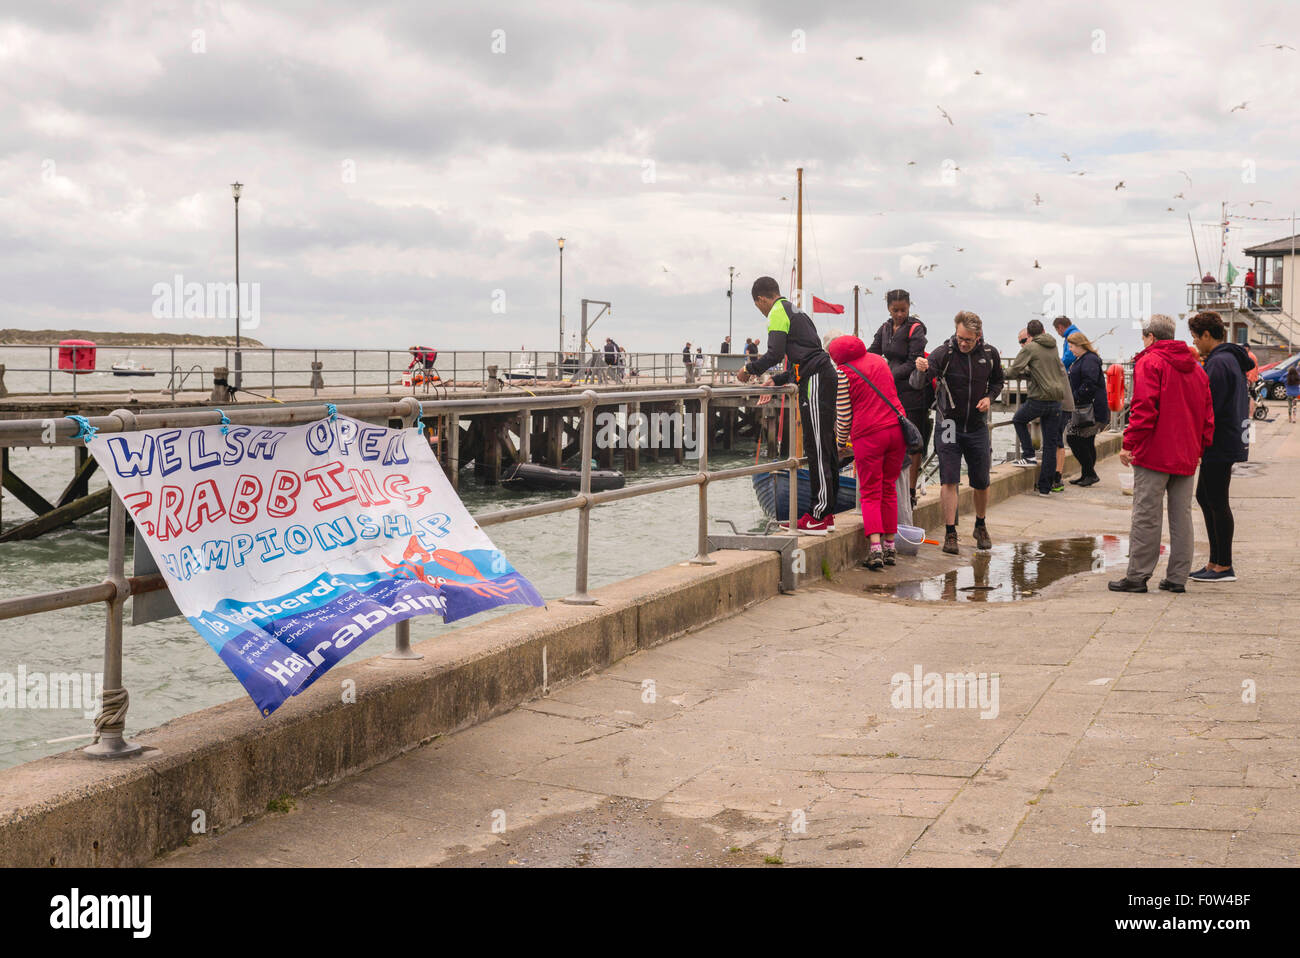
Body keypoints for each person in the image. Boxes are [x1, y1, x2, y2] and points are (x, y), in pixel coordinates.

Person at [1109, 315, 1214, 594]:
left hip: (1155, 453)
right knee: (1182, 517)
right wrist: (1200, 447)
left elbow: (1144, 408)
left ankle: (1138, 576)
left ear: (1151, 337)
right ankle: (1177, 577)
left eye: (1143, 337)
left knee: (1146, 515)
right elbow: (1207, 415)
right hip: (1186, 454)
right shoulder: (1197, 369)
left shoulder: (1150, 362)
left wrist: (1128, 443)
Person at [738, 276, 840, 535]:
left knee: (818, 446)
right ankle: (825, 514)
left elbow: (774, 353)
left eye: (758, 306)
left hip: (816, 379)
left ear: (761, 299)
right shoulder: (796, 311)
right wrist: (777, 378)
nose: (762, 312)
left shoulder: (776, 312)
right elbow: (801, 358)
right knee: (823, 445)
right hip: (817, 375)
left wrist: (748, 370)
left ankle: (819, 514)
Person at [911, 311, 1003, 554]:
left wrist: (988, 398)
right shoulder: (944, 354)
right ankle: (950, 533)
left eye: (968, 340)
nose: (963, 343)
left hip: (976, 425)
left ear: (978, 336)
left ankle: (980, 525)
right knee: (949, 478)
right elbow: (917, 385)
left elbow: (997, 383)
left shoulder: (989, 355)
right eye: (960, 337)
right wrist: (920, 369)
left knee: (981, 480)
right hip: (949, 424)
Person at [1188, 311, 1253, 584]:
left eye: (1195, 337)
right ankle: (1215, 561)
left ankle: (1223, 564)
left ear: (1207, 335)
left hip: (1220, 439)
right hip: (1228, 437)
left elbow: (1208, 403)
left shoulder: (1218, 362)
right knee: (1206, 497)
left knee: (1216, 500)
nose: (1194, 343)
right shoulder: (1229, 359)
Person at [830, 335, 905, 569]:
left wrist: (840, 442)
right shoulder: (877, 360)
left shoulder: (843, 373)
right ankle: (890, 546)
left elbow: (843, 416)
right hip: (897, 429)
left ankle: (875, 549)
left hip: (870, 434)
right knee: (888, 488)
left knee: (870, 492)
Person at [868, 290, 929, 509]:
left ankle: (911, 491)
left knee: (913, 444)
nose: (900, 314)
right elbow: (873, 352)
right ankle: (893, 489)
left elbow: (914, 361)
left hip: (912, 392)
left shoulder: (916, 329)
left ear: (909, 307)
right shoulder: (884, 328)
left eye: (904, 309)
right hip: (889, 393)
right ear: (888, 308)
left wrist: (886, 375)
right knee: (892, 442)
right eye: (895, 310)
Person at [1007, 320, 1066, 496]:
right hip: (1056, 399)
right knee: (1050, 445)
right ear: (1043, 330)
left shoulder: (1030, 348)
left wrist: (998, 374)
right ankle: (1045, 488)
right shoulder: (1053, 346)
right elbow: (1045, 368)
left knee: (1018, 419)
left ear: (1030, 336)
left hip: (1039, 398)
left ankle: (1029, 455)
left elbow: (1013, 371)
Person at [1064, 331, 1109, 486]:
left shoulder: (1090, 360)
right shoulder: (1083, 359)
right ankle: (1086, 474)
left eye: (1071, 346)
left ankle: (1090, 473)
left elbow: (1089, 383)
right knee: (1087, 441)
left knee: (1074, 438)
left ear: (1080, 345)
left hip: (1091, 409)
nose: (1070, 349)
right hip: (1087, 407)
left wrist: (1074, 397)